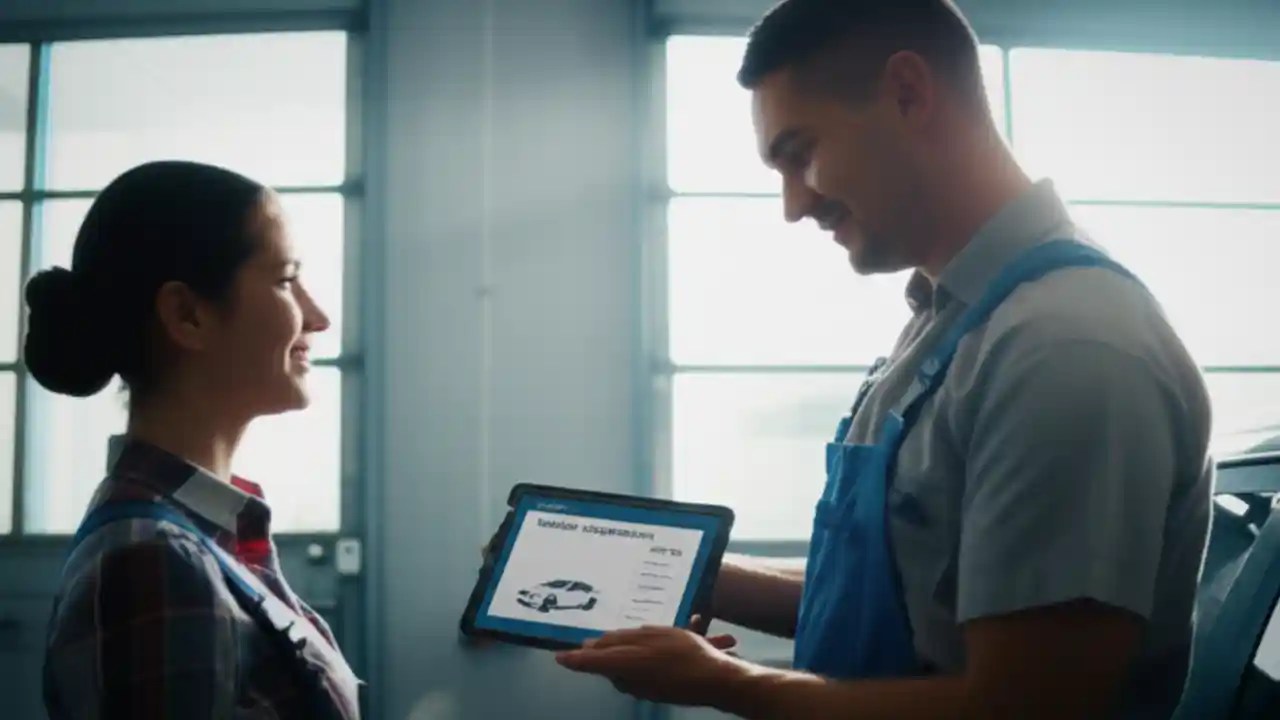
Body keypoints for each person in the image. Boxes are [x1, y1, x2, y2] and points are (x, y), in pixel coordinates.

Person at [555, 1, 1213, 718]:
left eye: (800, 153)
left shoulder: (1065, 349)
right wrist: (687, 572)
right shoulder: (953, 322)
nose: (793, 205)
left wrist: (730, 686)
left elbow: (1024, 706)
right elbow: (900, 598)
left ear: (907, 93)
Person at [32, 161, 361, 719]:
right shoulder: (156, 562)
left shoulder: (195, 539)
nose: (318, 317)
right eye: (285, 281)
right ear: (187, 315)